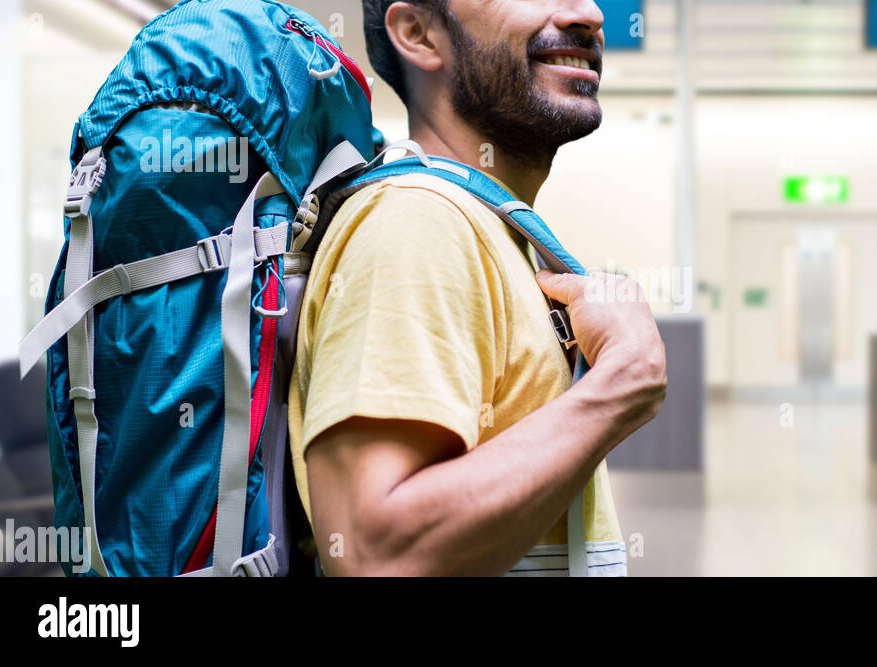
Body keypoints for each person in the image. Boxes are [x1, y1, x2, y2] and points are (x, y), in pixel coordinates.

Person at [286, 0, 667, 576]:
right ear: (418, 34)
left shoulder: (486, 225)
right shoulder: (418, 220)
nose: (588, 13)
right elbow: (375, 556)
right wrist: (620, 385)